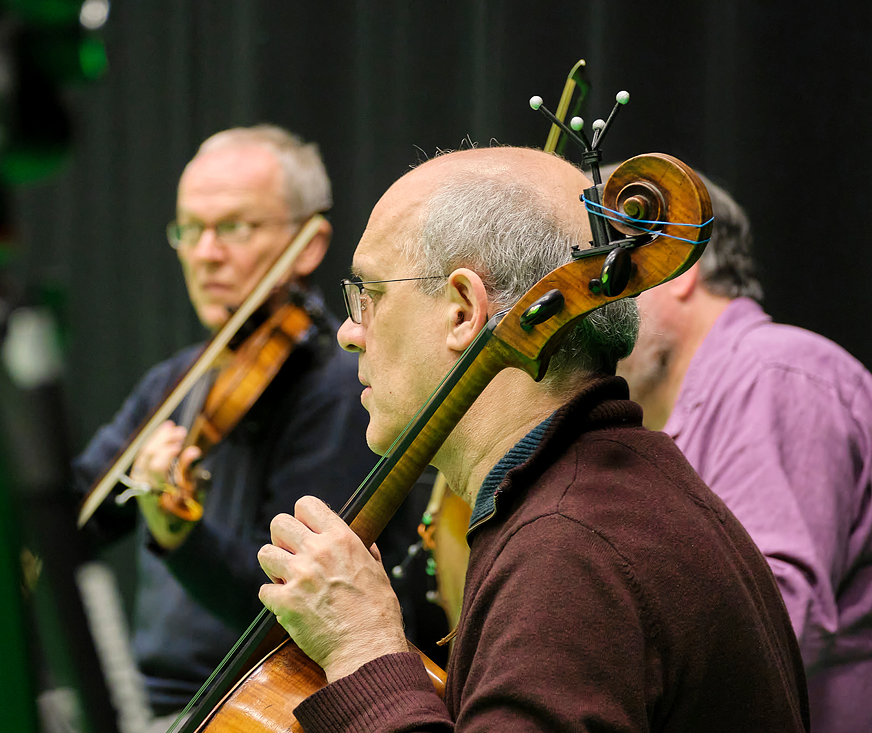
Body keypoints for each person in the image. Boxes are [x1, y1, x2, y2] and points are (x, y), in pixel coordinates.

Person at [256, 147, 810, 731]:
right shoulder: (617, 493)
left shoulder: (570, 548)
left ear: (464, 311)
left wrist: (360, 645)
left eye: (371, 293)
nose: (348, 332)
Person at [72, 125, 438, 732]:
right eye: (190, 230)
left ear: (310, 243)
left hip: (243, 707)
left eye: (236, 228)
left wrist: (181, 538)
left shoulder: (345, 391)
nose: (207, 253)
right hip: (142, 700)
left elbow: (286, 615)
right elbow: (80, 508)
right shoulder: (180, 379)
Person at [617, 173, 872, 733]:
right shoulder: (691, 409)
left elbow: (771, 621)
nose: (589, 306)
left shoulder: (772, 373)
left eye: (608, 273)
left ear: (677, 266)